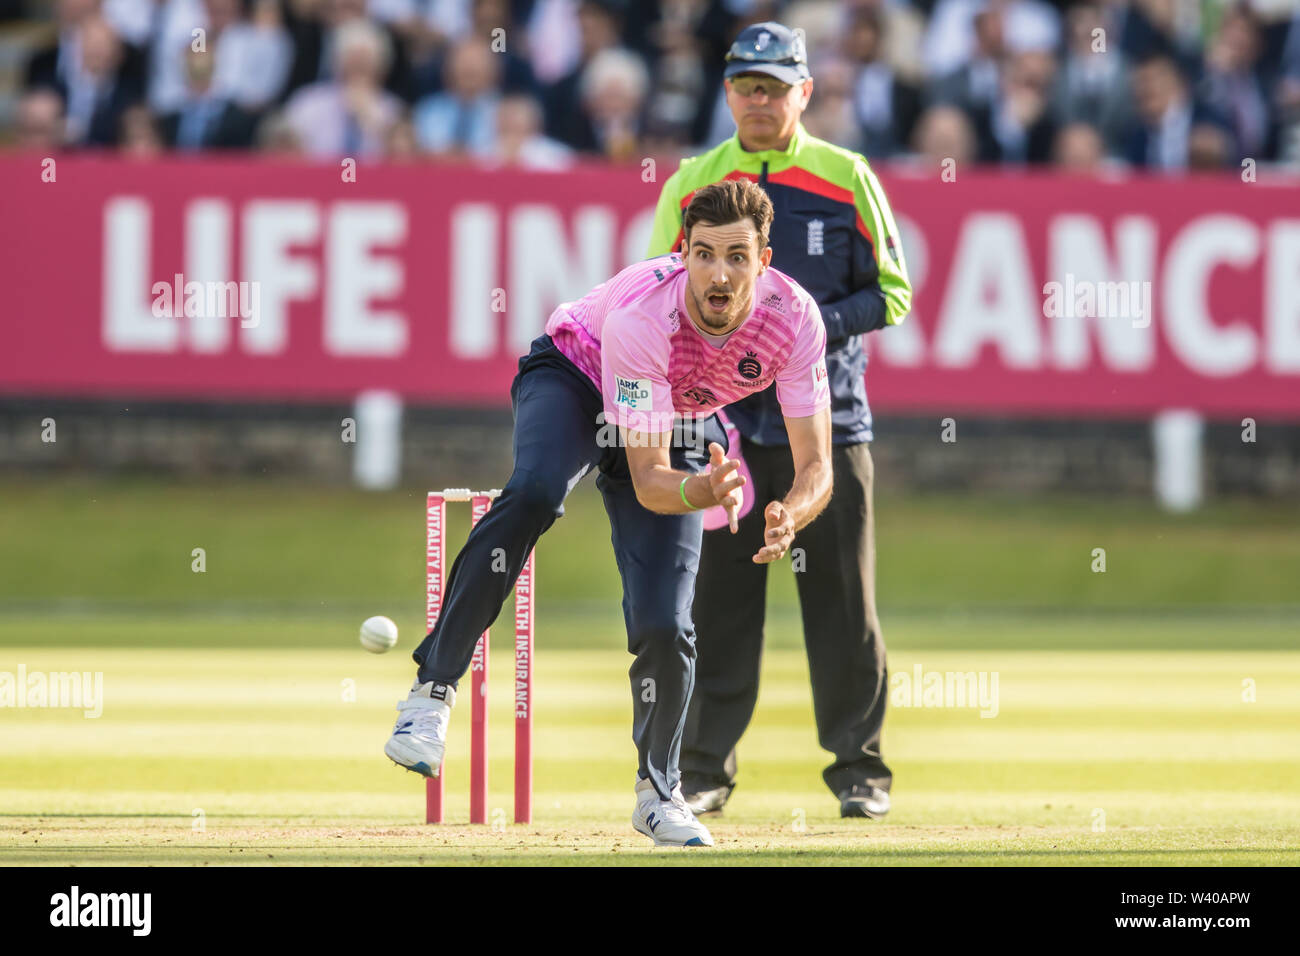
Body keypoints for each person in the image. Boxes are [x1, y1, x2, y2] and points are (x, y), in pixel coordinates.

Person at [384, 178, 834, 848]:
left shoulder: (794, 320)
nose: (719, 274)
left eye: (737, 257)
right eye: (704, 254)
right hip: (577, 378)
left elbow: (817, 466)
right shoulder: (645, 318)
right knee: (536, 492)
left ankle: (659, 792)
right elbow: (651, 480)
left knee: (664, 621)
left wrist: (791, 513)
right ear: (683, 254)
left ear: (764, 262)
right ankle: (430, 694)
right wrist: (702, 491)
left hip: (677, 416)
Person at [646, 20, 912, 819]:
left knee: (842, 605)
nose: (759, 100)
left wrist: (802, 329)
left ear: (804, 91)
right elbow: (660, 295)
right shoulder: (695, 180)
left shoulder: (846, 174)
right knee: (718, 606)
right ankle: (704, 770)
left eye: (774, 86)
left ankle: (860, 771)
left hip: (827, 424)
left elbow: (891, 293)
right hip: (720, 427)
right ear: (728, 92)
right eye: (745, 86)